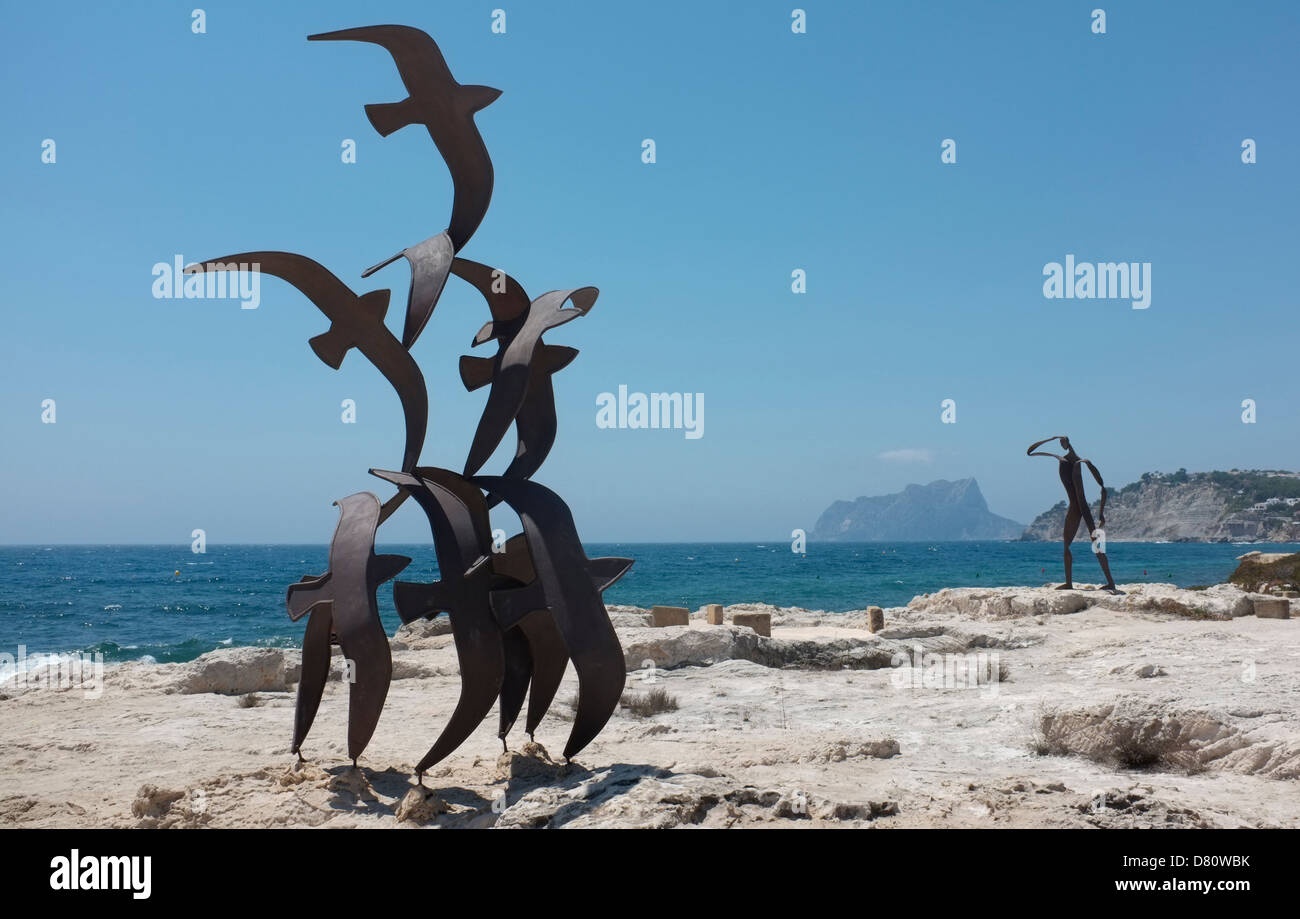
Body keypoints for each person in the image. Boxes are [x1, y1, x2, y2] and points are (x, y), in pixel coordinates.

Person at [1026, 436, 1122, 594]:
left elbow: (1102, 486)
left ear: (1068, 443)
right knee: (1067, 545)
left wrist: (1101, 514)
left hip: (1082, 506)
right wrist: (1053, 437)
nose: (1061, 445)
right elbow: (1030, 452)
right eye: (1060, 443)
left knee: (1097, 546)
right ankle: (1069, 582)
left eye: (1062, 442)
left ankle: (1110, 583)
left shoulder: (1082, 462)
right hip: (1074, 507)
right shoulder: (1061, 459)